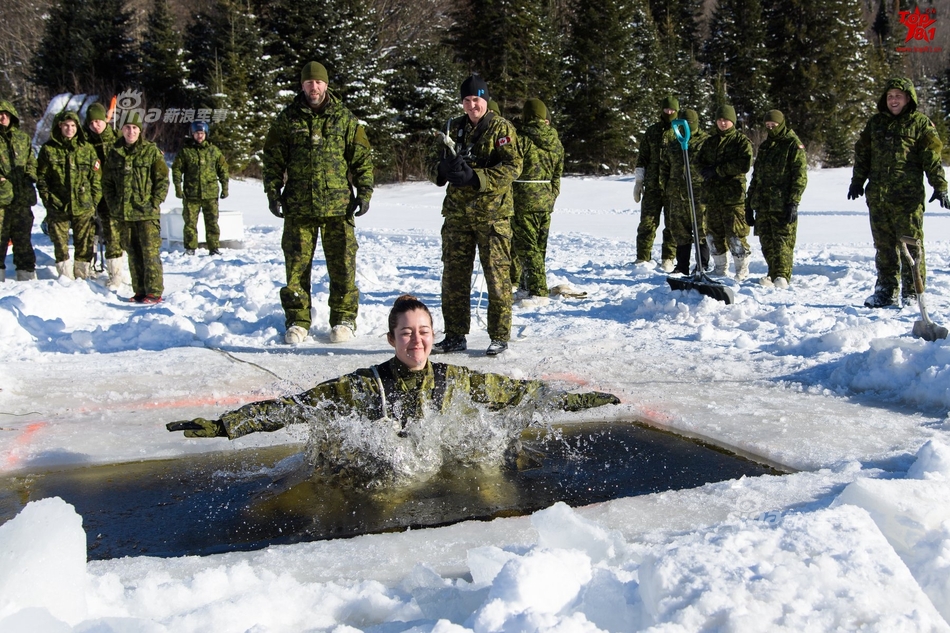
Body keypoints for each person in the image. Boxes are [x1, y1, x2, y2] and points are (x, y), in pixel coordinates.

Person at [166, 294, 620, 441]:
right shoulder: (367, 385)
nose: (416, 341)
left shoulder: (454, 379)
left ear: (434, 336)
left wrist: (577, 399)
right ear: (390, 339)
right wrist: (227, 425)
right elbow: (297, 408)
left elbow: (521, 393)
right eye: (406, 333)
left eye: (423, 331)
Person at [263, 61, 374, 345]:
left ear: (326, 85)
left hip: (338, 207)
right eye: (309, 82)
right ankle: (298, 320)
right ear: (302, 85)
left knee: (343, 266)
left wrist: (364, 191)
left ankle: (343, 318)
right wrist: (273, 192)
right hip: (298, 207)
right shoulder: (287, 119)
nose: (314, 87)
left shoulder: (344, 118)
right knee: (296, 268)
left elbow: (360, 157)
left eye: (319, 82)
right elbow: (273, 160)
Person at [427, 75, 522, 356]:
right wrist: (441, 170)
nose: (472, 106)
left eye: (476, 100)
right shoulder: (452, 127)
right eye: (467, 101)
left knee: (497, 277)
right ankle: (455, 334)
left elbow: (513, 167)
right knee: (454, 277)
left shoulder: (501, 128)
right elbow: (431, 160)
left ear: (485, 100)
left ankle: (499, 336)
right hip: (457, 215)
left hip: (492, 216)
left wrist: (476, 177)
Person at [849, 77, 949, 308]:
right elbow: (863, 154)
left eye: (898, 96)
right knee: (884, 247)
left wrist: (940, 186)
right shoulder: (875, 123)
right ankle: (885, 291)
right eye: (890, 96)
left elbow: (932, 159)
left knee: (911, 246)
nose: (893, 100)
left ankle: (913, 292)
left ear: (908, 98)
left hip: (907, 199)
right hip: (878, 198)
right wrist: (857, 181)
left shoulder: (920, 124)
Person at [101, 112, 169, 303]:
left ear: (140, 131)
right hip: (124, 214)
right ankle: (139, 290)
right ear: (121, 130)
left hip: (147, 213)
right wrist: (114, 204)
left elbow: (162, 179)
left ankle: (154, 292)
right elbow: (107, 183)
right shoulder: (114, 154)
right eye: (127, 128)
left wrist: (155, 201)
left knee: (150, 253)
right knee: (133, 253)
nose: (131, 131)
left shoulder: (150, 151)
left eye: (134, 128)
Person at [510, 98, 564, 308]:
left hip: (523, 200)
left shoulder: (521, 139)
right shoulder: (556, 142)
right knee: (538, 246)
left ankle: (539, 290)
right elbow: (558, 175)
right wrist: (551, 195)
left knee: (526, 247)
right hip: (545, 201)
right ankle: (526, 286)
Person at [36, 110, 102, 280]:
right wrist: (48, 199)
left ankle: (82, 279)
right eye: (66, 125)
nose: (70, 129)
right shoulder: (48, 149)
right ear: (60, 126)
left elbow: (96, 178)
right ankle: (65, 279)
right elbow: (41, 178)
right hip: (58, 205)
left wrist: (93, 201)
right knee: (60, 244)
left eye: (73, 125)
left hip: (83, 206)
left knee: (84, 244)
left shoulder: (86, 149)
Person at [746, 110, 808, 289]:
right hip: (763, 204)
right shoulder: (766, 147)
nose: (771, 129)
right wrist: (749, 204)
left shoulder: (792, 145)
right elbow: (756, 177)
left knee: (782, 242)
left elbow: (800, 177)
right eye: (768, 126)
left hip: (782, 204)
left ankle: (782, 275)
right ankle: (772, 273)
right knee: (767, 241)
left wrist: (793, 202)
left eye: (774, 126)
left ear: (781, 124)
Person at [694, 104, 754, 280]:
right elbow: (698, 163)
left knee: (736, 235)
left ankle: (741, 270)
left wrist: (718, 170)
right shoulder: (709, 143)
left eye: (726, 120)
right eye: (720, 119)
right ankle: (720, 268)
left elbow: (744, 164)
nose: (722, 123)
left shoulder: (741, 142)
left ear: (732, 121)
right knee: (713, 235)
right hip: (712, 197)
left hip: (732, 198)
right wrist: (704, 171)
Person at [659, 108, 709, 275]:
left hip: (699, 194)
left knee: (701, 229)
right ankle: (681, 266)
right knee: (680, 230)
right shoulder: (674, 145)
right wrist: (666, 186)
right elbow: (665, 167)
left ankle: (702, 265)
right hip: (678, 194)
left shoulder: (706, 142)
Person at [633, 96, 678, 270]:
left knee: (672, 225)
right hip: (652, 186)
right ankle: (642, 257)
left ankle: (668, 258)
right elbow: (642, 157)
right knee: (647, 223)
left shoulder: (680, 130)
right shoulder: (652, 131)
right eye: (666, 109)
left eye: (672, 110)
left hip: (672, 186)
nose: (669, 112)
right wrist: (639, 181)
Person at [171, 120, 229, 256]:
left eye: (202, 133)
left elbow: (223, 170)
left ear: (206, 134)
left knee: (212, 222)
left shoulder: (214, 151)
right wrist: (178, 187)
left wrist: (225, 187)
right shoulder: (186, 152)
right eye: (197, 133)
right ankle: (190, 248)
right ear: (192, 134)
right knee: (190, 223)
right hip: (191, 194)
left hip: (210, 193)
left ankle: (214, 247)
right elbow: (177, 170)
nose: (199, 136)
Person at [84, 101, 125, 290]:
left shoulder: (118, 139)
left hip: (113, 194)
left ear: (104, 121)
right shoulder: (85, 141)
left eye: (98, 121)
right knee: (89, 232)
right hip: (92, 193)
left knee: (112, 232)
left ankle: (116, 273)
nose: (95, 125)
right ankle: (87, 268)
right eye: (92, 123)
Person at [0, 100, 38, 282]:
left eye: (5, 114)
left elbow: (32, 160)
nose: (2, 117)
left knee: (23, 241)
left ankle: (27, 280)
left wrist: (30, 174)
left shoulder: (22, 138)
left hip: (22, 198)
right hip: (1, 200)